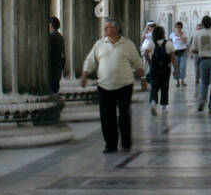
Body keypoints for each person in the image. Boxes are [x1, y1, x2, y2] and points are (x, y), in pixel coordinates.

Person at [81, 19, 148, 154]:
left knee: (124, 115)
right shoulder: (100, 44)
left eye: (108, 28)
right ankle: (110, 144)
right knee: (107, 116)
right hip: (105, 86)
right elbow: (90, 61)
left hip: (124, 85)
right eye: (105, 28)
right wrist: (84, 75)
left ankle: (126, 142)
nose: (105, 30)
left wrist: (143, 79)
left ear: (116, 29)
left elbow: (137, 62)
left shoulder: (127, 44)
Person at [191, 15, 211, 112]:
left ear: (202, 24)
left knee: (204, 82)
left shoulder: (197, 34)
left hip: (203, 60)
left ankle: (202, 101)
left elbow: (194, 49)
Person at [146, 24, 176, 114]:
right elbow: (173, 58)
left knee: (154, 86)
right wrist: (176, 69)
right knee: (164, 87)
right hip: (165, 69)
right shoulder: (169, 43)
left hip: (154, 68)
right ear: (163, 34)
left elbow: (145, 53)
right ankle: (164, 107)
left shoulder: (151, 43)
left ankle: (153, 103)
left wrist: (149, 61)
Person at [48, 16, 65, 94]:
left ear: (50, 25)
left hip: (52, 68)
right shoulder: (60, 37)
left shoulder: (51, 37)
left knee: (52, 89)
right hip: (57, 67)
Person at [170, 21, 189, 87]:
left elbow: (184, 42)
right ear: (175, 27)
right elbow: (169, 43)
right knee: (176, 67)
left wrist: (180, 35)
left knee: (182, 67)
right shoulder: (172, 35)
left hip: (183, 52)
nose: (178, 29)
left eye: (180, 27)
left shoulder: (184, 34)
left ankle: (183, 80)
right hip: (175, 52)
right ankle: (177, 81)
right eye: (177, 27)